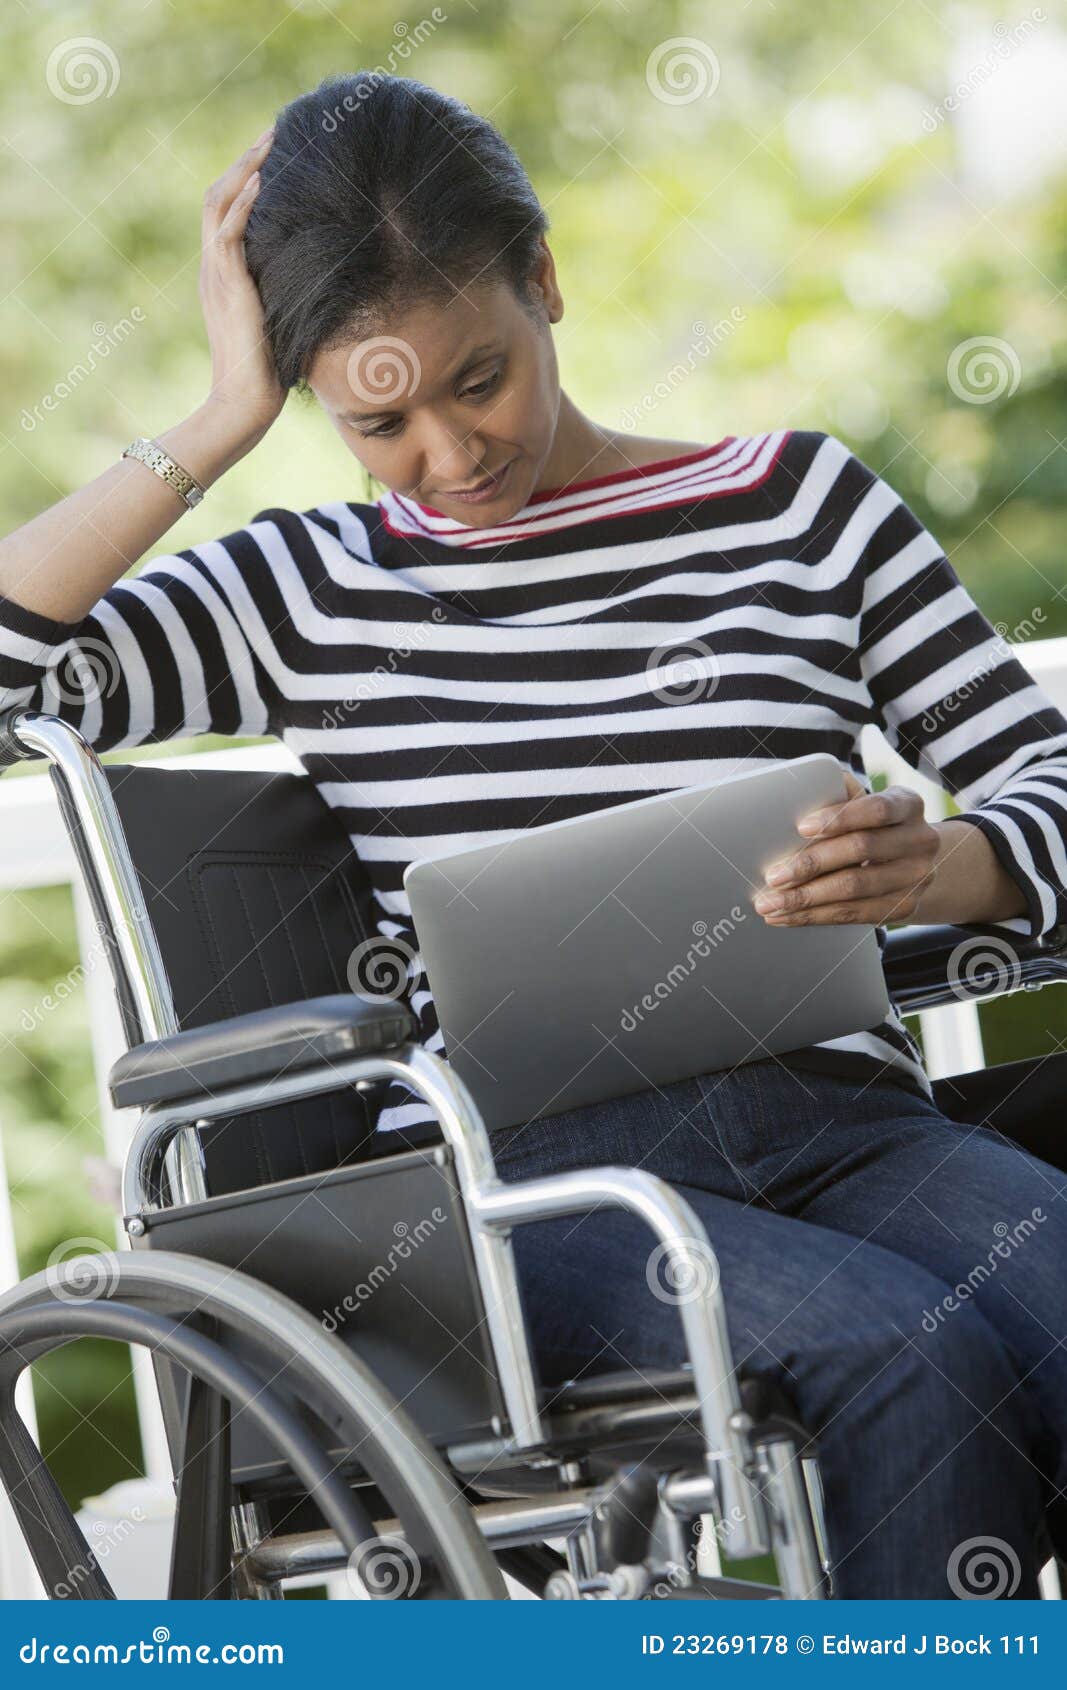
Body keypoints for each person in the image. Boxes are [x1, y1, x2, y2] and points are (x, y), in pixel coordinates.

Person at [1, 71, 1065, 1600]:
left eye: (480, 379)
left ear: (547, 280)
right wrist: (219, 418)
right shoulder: (306, 586)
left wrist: (952, 865)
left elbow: (1044, 770)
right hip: (526, 1186)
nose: (449, 455)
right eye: (378, 420)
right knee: (905, 1353)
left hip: (844, 1120)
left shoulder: (802, 510)